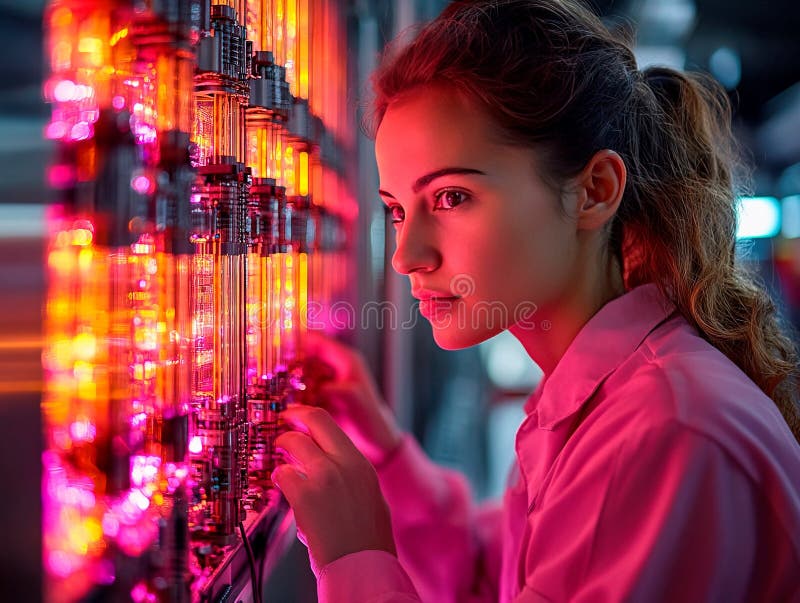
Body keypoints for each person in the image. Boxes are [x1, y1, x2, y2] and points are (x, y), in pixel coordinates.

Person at [271, 1, 800, 601]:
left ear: (594, 192)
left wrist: (355, 561)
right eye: (396, 210)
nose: (406, 256)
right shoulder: (601, 399)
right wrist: (385, 451)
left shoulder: (660, 433)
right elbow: (489, 575)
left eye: (451, 197)